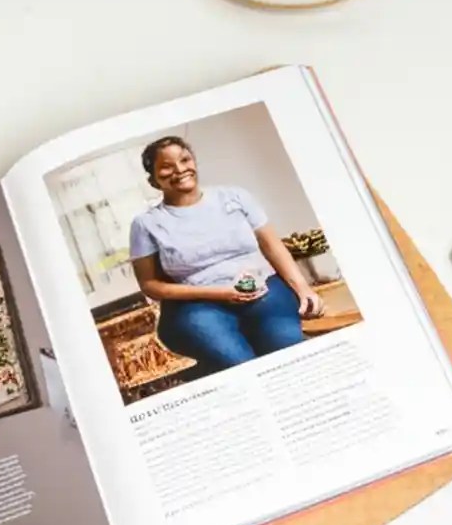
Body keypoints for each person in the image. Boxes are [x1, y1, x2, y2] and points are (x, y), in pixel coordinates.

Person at [128, 136, 325, 375]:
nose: (180, 170)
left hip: (263, 291)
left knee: (288, 355)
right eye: (167, 167)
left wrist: (304, 289)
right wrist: (219, 293)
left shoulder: (235, 197)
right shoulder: (146, 224)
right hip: (197, 307)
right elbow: (150, 285)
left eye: (185, 160)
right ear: (153, 180)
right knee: (240, 366)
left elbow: (273, 247)